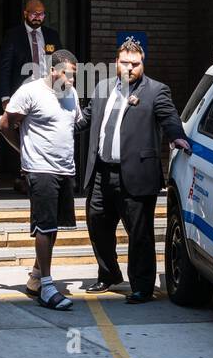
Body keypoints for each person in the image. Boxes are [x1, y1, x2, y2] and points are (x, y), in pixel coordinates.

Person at [80, 38, 189, 304]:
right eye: (124, 62)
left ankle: (141, 285)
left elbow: (169, 117)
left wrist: (177, 136)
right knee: (97, 225)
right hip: (102, 173)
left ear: (143, 63)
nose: (129, 68)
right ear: (116, 62)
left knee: (139, 234)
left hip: (137, 174)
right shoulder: (103, 87)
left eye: (135, 64)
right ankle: (109, 275)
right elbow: (85, 118)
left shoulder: (156, 90)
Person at [0, 49, 84, 311]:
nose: (69, 80)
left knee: (54, 225)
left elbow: (74, 124)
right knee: (44, 226)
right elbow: (5, 125)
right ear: (52, 70)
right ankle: (47, 286)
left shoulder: (71, 94)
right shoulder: (31, 91)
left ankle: (36, 277)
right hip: (40, 168)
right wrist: (24, 152)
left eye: (74, 76)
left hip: (64, 169)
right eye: (65, 74)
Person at [0, 0, 63, 106]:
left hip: (48, 91)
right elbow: (5, 68)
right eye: (34, 14)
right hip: (22, 91)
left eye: (41, 14)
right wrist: (5, 97)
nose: (37, 17)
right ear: (25, 13)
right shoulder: (13, 35)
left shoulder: (52, 35)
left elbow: (59, 63)